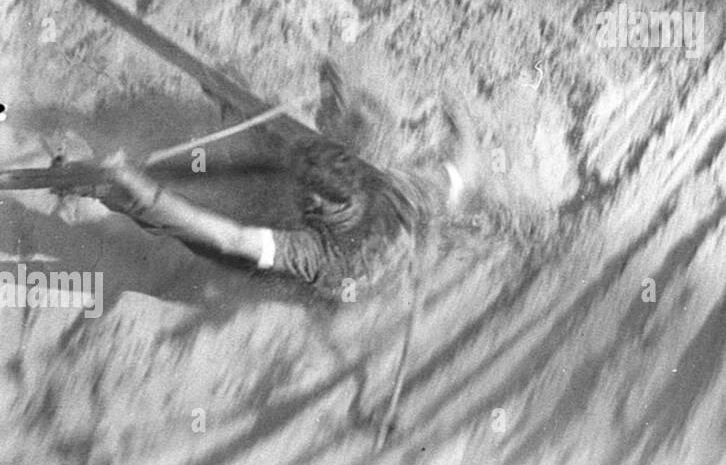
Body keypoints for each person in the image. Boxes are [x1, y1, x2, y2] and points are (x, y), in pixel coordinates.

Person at [74, 61, 477, 299]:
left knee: (208, 237)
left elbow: (226, 236)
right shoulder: (391, 187)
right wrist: (460, 116)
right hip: (374, 218)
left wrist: (135, 183)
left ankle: (107, 191)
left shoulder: (315, 252)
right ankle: (239, 103)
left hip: (350, 281)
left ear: (318, 203)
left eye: (309, 191)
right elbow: (465, 164)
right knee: (305, 143)